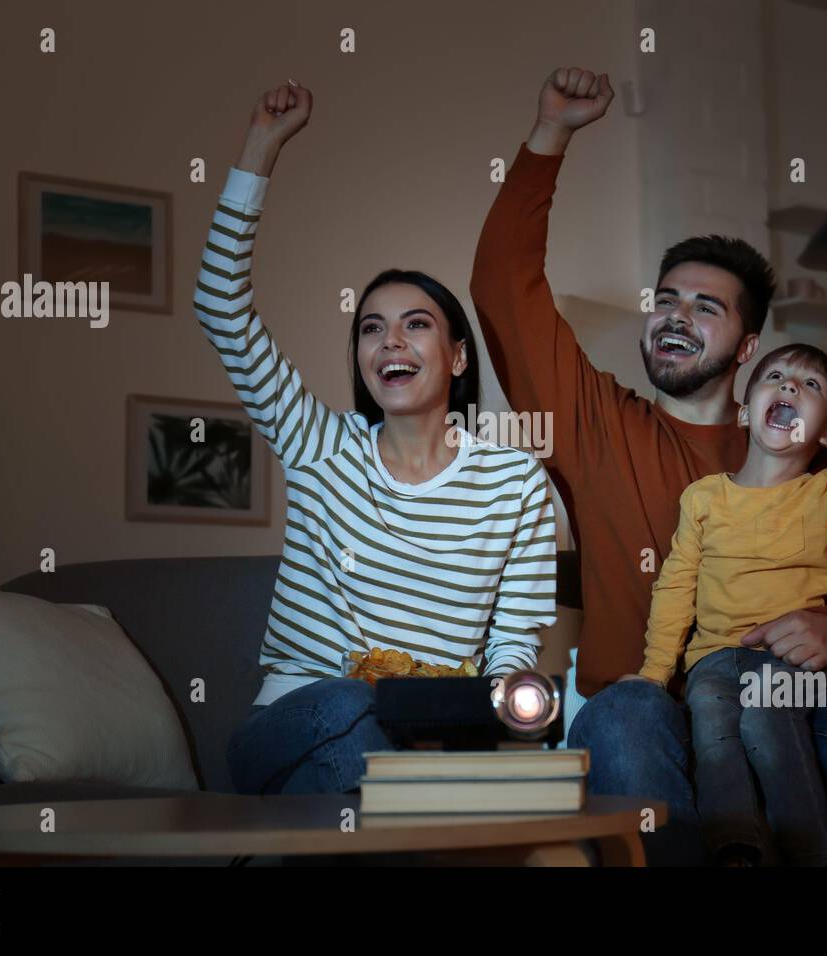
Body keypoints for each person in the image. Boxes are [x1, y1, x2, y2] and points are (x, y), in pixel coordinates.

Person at [470, 67, 827, 865]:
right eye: (666, 300)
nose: (675, 317)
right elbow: (501, 289)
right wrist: (551, 133)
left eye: (705, 307)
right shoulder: (594, 425)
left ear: (748, 348)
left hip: (792, 701)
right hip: (654, 707)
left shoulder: (805, 457)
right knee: (615, 715)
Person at [194, 80, 558, 796]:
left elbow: (512, 650)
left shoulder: (514, 484)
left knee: (504, 751)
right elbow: (220, 308)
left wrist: (510, 726)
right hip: (295, 727)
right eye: (370, 327)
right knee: (348, 703)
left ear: (457, 357)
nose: (389, 340)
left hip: (431, 737)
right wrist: (261, 146)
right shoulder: (318, 446)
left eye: (415, 323)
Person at [640, 346, 827, 865]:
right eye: (775, 377)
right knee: (713, 723)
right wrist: (654, 673)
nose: (790, 386)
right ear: (746, 413)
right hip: (713, 660)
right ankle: (738, 848)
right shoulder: (703, 499)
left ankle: (808, 853)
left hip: (789, 661)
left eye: (810, 385)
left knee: (767, 717)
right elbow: (675, 587)